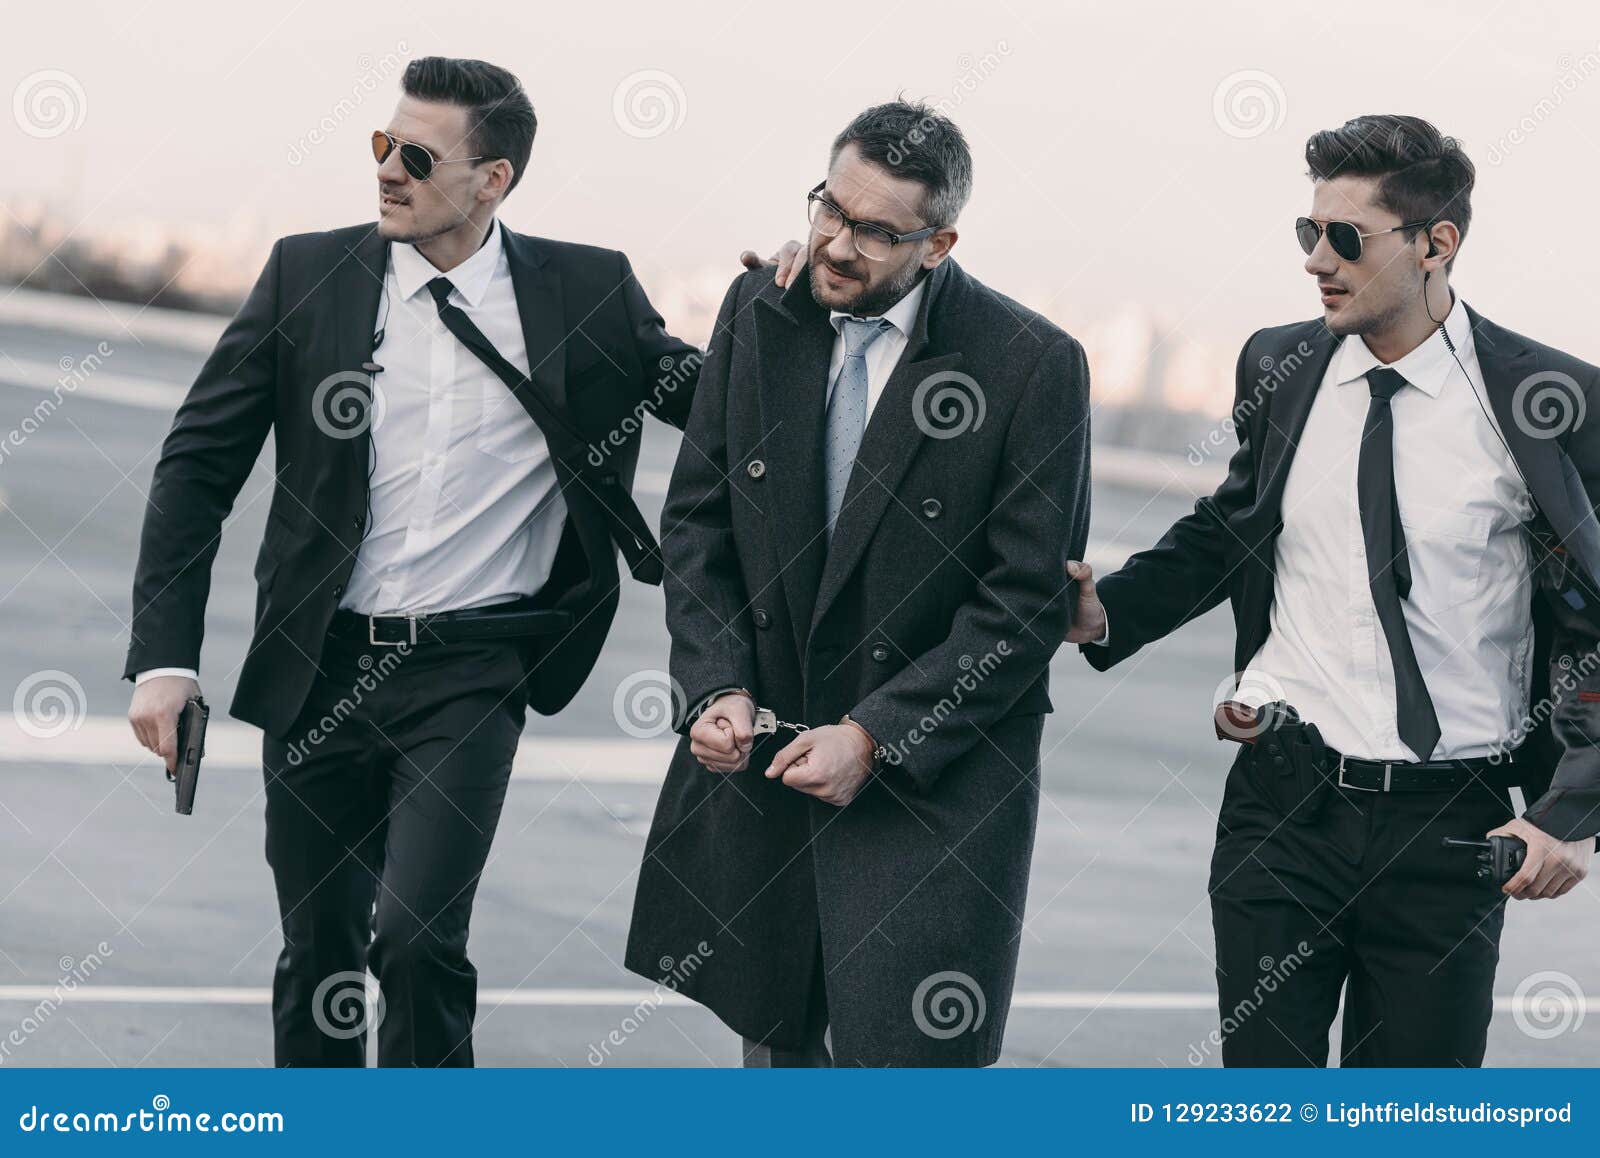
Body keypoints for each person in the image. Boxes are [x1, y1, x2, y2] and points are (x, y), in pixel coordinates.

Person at [124, 55, 802, 1066]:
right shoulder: (307, 276)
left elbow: (709, 404)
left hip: (471, 672)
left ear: (494, 179)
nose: (388, 171)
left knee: (416, 940)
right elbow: (197, 466)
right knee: (319, 951)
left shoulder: (584, 288)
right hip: (320, 666)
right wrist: (164, 658)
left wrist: (780, 315)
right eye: (381, 146)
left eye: (418, 156)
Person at [1067, 114, 1598, 1067]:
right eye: (1307, 232)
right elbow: (1233, 524)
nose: (1317, 259)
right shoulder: (1280, 363)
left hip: (1454, 824)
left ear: (1439, 244)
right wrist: (1112, 606)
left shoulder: (1551, 401)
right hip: (1284, 801)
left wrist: (1569, 810)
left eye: (1345, 237)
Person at [625, 99, 1091, 1067]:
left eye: (876, 231)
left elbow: (1021, 604)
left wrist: (875, 739)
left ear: (939, 241)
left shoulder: (1030, 366)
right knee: (776, 1056)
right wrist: (715, 685)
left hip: (931, 788)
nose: (836, 243)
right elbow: (699, 520)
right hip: (774, 761)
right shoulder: (760, 313)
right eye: (827, 209)